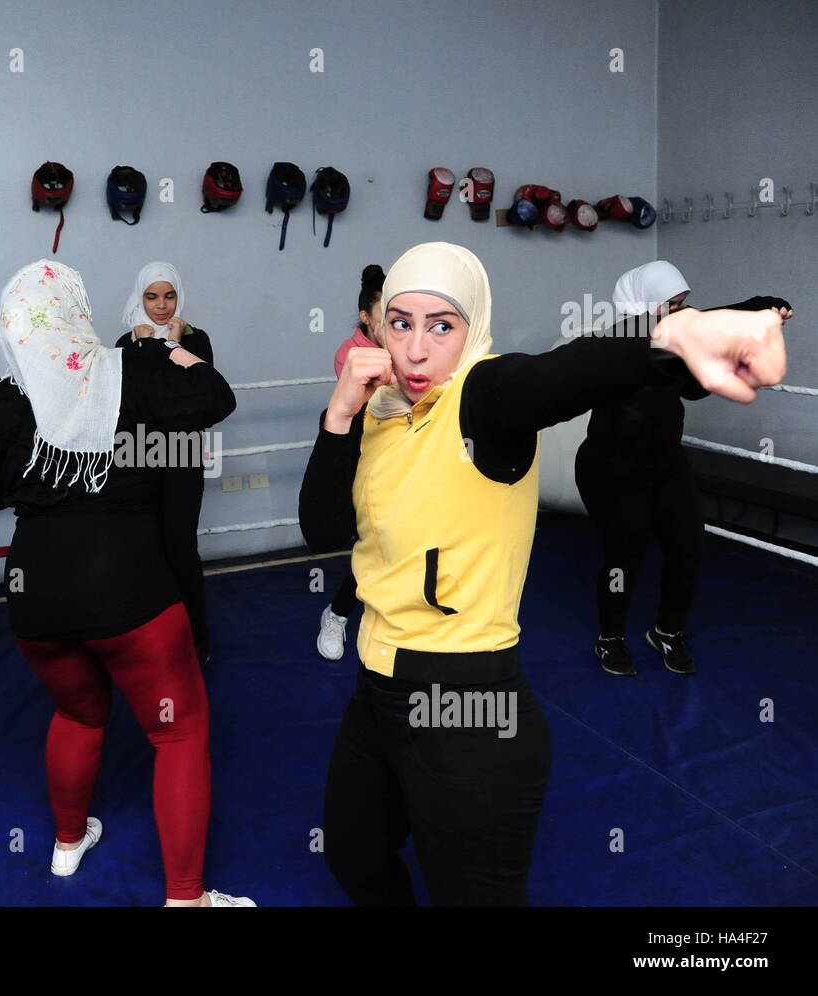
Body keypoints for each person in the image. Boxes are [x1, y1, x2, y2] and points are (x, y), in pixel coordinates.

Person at [299, 241, 786, 905]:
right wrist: (339, 415)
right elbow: (323, 530)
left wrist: (672, 334)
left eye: (442, 326)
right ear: (377, 327)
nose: (416, 350)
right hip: (376, 696)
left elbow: (557, 375)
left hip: (466, 708)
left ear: (473, 329)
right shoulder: (381, 413)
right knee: (353, 855)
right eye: (400, 322)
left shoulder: (482, 399)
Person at [0, 259, 252, 906]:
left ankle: (68, 843)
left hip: (33, 589)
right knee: (178, 731)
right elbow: (217, 399)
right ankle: (186, 897)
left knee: (77, 710)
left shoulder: (4, 398)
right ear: (76, 311)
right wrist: (173, 351)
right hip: (125, 584)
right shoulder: (130, 369)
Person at [576, 261, 793, 676]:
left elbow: (692, 389)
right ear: (644, 305)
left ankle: (667, 632)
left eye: (683, 304)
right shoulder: (616, 341)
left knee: (689, 548)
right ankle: (611, 637)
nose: (681, 313)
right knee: (625, 557)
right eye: (671, 304)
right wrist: (753, 307)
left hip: (665, 464)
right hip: (613, 468)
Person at [114, 262, 215, 667]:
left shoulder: (197, 340)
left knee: (181, 549)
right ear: (140, 297)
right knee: (144, 551)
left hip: (183, 457)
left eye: (169, 296)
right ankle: (151, 641)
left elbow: (198, 398)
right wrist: (145, 350)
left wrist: (172, 346)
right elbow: (133, 404)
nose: (160, 305)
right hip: (137, 458)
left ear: (179, 297)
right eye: (152, 296)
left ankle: (196, 640)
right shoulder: (126, 342)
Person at [317, 263, 385, 661]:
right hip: (364, 460)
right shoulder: (352, 355)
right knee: (372, 545)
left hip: (404, 458)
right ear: (365, 317)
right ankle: (339, 613)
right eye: (386, 318)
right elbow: (372, 404)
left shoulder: (402, 347)